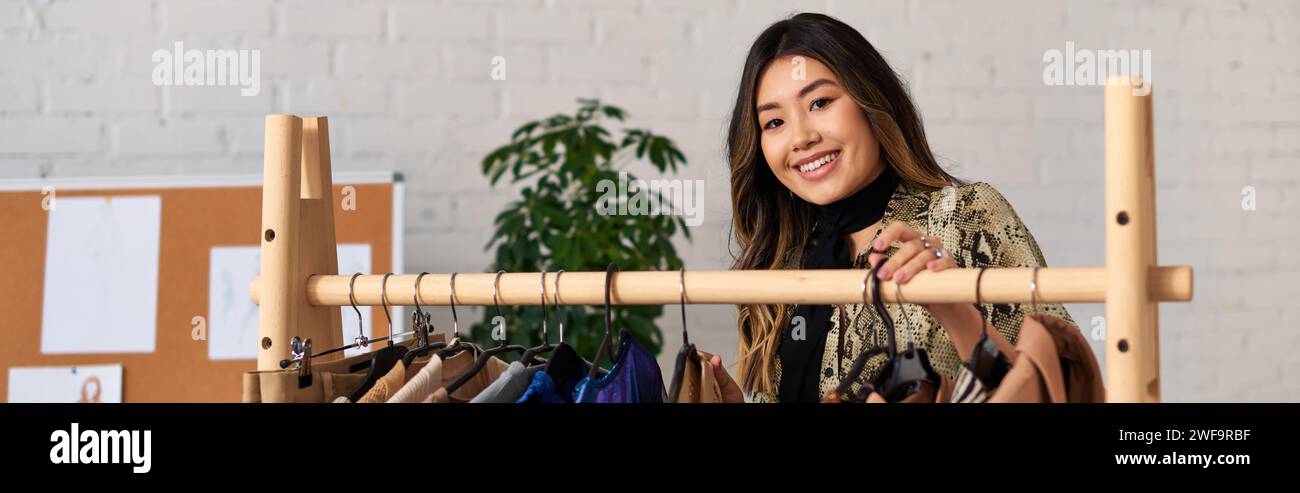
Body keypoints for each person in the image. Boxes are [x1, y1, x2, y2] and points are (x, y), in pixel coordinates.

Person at [701, 12, 1077, 403]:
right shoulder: (782, 262)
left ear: (871, 100)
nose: (802, 137)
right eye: (775, 122)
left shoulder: (966, 214)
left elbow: (1062, 385)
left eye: (820, 102)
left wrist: (955, 310)